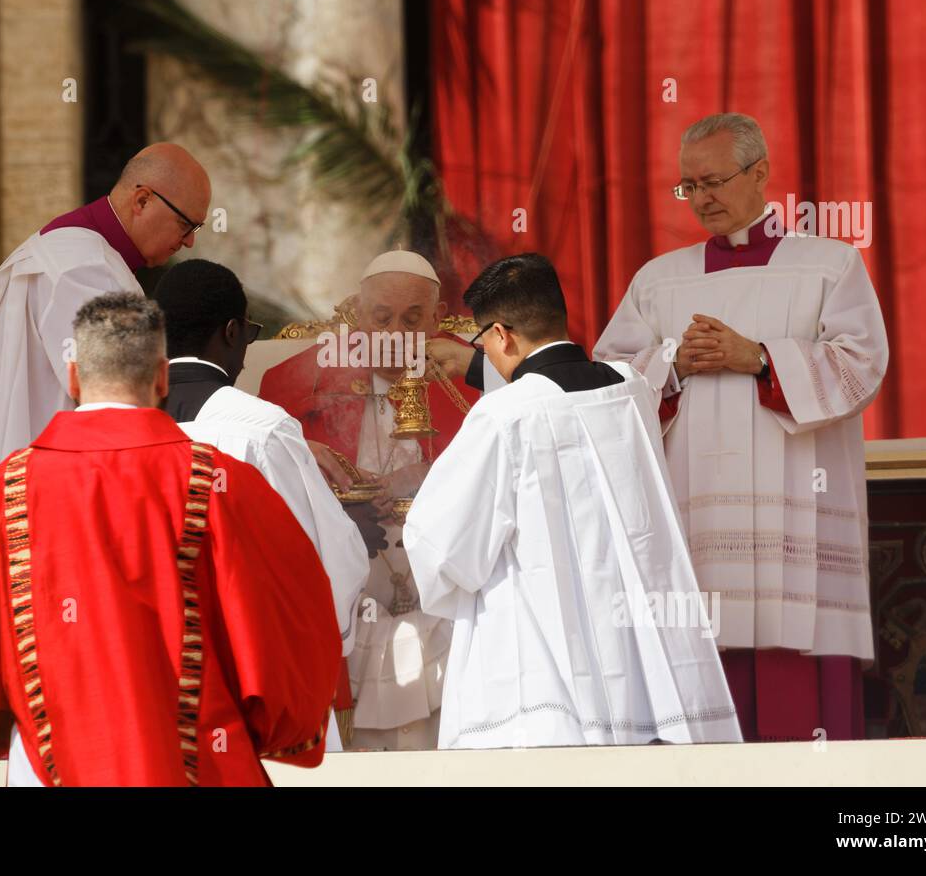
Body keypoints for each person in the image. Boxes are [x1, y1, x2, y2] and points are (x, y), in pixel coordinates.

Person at [0, 292, 340, 786]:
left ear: (75, 378)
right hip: (199, 762)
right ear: (162, 378)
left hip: (47, 767)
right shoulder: (222, 483)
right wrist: (280, 726)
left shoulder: (2, 492)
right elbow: (294, 613)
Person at [593, 113, 888, 742]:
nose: (701, 197)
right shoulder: (659, 279)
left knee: (798, 701)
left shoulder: (829, 265)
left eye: (714, 180)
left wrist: (757, 359)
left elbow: (861, 365)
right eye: (688, 186)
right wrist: (671, 365)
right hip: (698, 517)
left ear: (760, 174)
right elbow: (608, 384)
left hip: (795, 512)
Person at [403, 254, 741, 749]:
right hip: (637, 641)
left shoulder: (505, 415)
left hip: (546, 652)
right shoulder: (631, 389)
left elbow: (445, 542)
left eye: (483, 342)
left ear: (500, 335)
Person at [0, 143, 211, 626]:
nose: (189, 242)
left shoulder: (76, 252)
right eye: (187, 224)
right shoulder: (81, 266)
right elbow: (119, 400)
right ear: (142, 200)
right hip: (29, 506)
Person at [258, 250, 480, 750]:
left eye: (413, 319)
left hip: (440, 597)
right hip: (352, 604)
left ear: (438, 315)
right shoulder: (297, 384)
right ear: (358, 315)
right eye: (382, 318)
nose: (397, 334)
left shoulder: (472, 382)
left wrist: (429, 474)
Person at [153, 259, 373, 749]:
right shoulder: (258, 428)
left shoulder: (114, 425)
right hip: (248, 684)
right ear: (231, 333)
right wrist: (353, 529)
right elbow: (325, 570)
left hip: (146, 688)